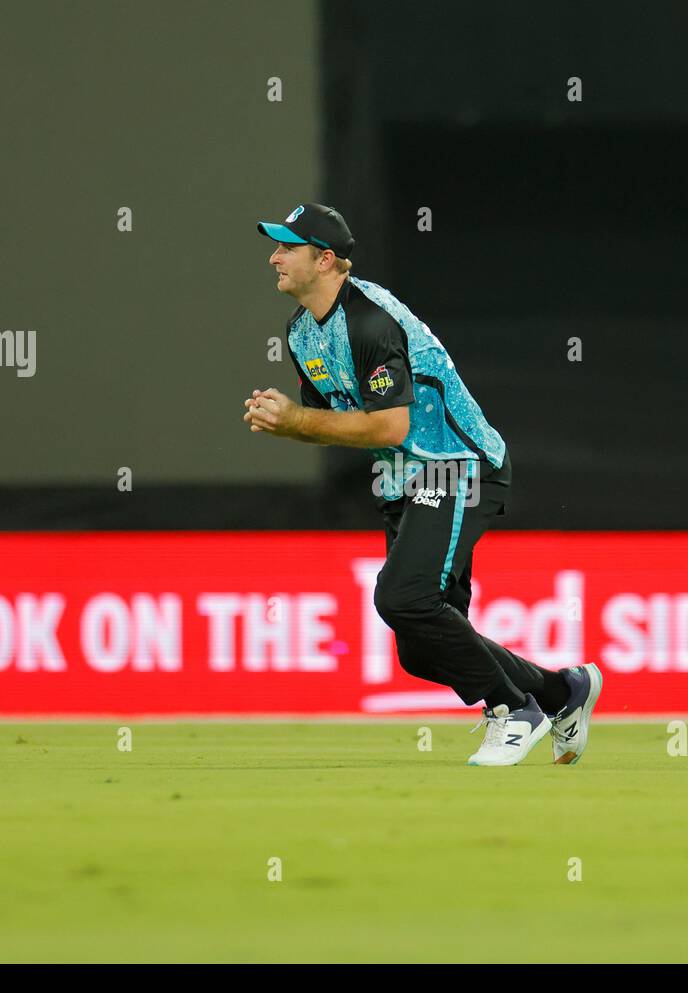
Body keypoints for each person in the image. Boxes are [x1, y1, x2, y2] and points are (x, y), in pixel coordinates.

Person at [244, 203, 602, 765]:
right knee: (420, 649)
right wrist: (291, 425)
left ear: (327, 259)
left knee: (401, 597)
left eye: (288, 247)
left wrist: (298, 422)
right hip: (404, 481)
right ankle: (562, 694)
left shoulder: (369, 320)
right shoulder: (301, 335)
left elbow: (390, 424)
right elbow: (338, 423)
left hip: (459, 467)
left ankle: (514, 710)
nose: (274, 257)